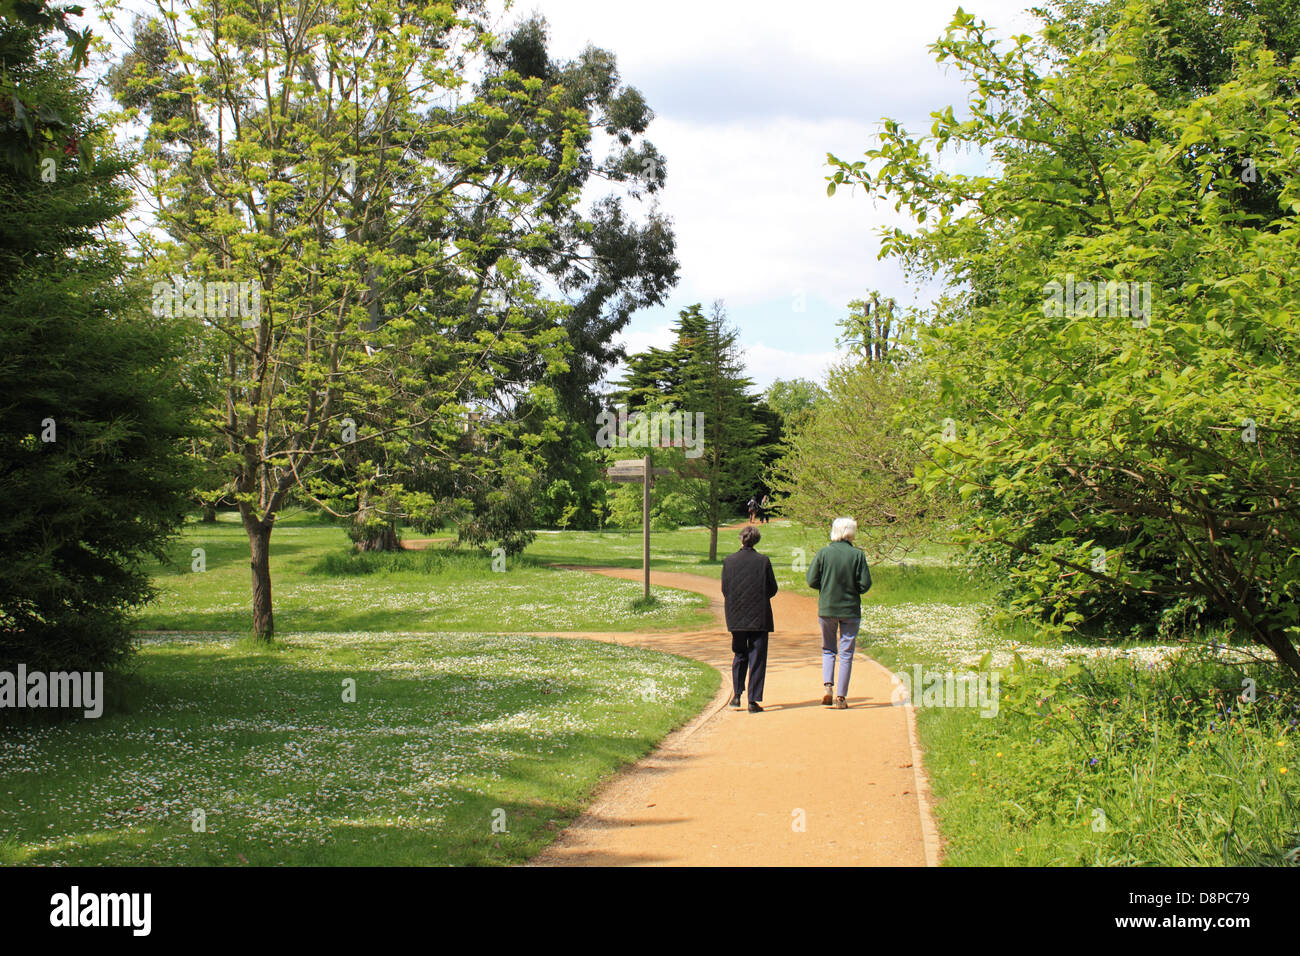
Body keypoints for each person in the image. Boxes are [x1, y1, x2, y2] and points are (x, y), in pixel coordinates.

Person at [805, 517, 872, 710]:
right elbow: (865, 584)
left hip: (827, 608)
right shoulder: (857, 555)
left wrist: (825, 587)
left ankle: (828, 687)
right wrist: (854, 589)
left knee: (828, 649)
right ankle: (841, 697)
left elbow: (811, 580)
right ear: (851, 532)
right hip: (850, 609)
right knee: (846, 653)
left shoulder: (824, 553)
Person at [720, 524, 778, 713]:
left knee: (739, 654)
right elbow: (772, 589)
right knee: (757, 657)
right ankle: (753, 700)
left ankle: (737, 695)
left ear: (741, 539)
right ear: (756, 540)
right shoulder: (763, 561)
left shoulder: (729, 561)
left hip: (736, 615)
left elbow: (725, 589)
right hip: (759, 615)